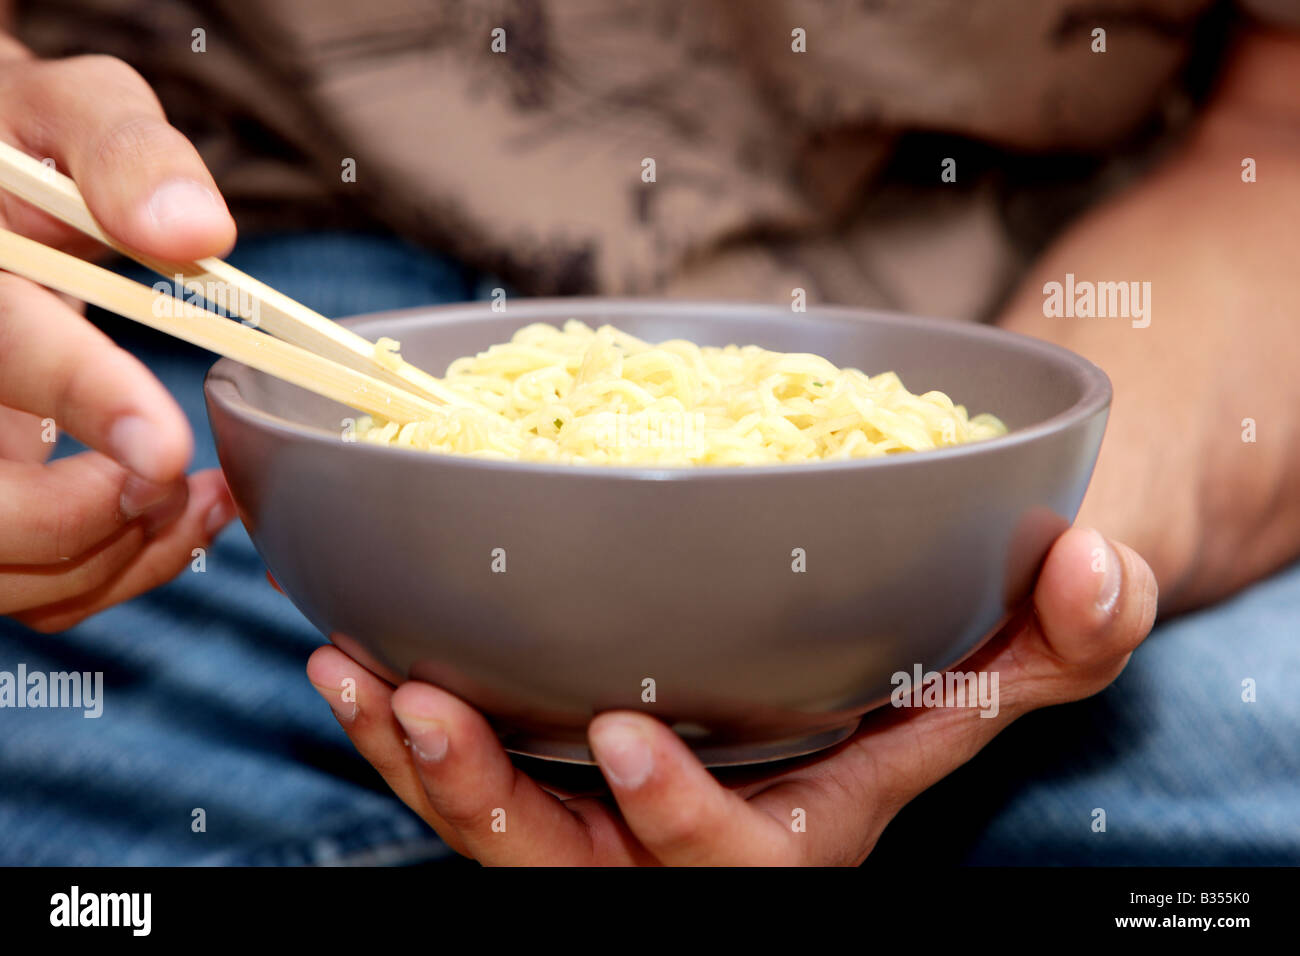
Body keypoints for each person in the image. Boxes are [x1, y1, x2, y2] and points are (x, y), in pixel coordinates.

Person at [1, 0, 1296, 865]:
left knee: (1226, 755)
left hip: (1030, 317)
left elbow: (1275, 141)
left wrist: (1019, 558)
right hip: (282, 326)